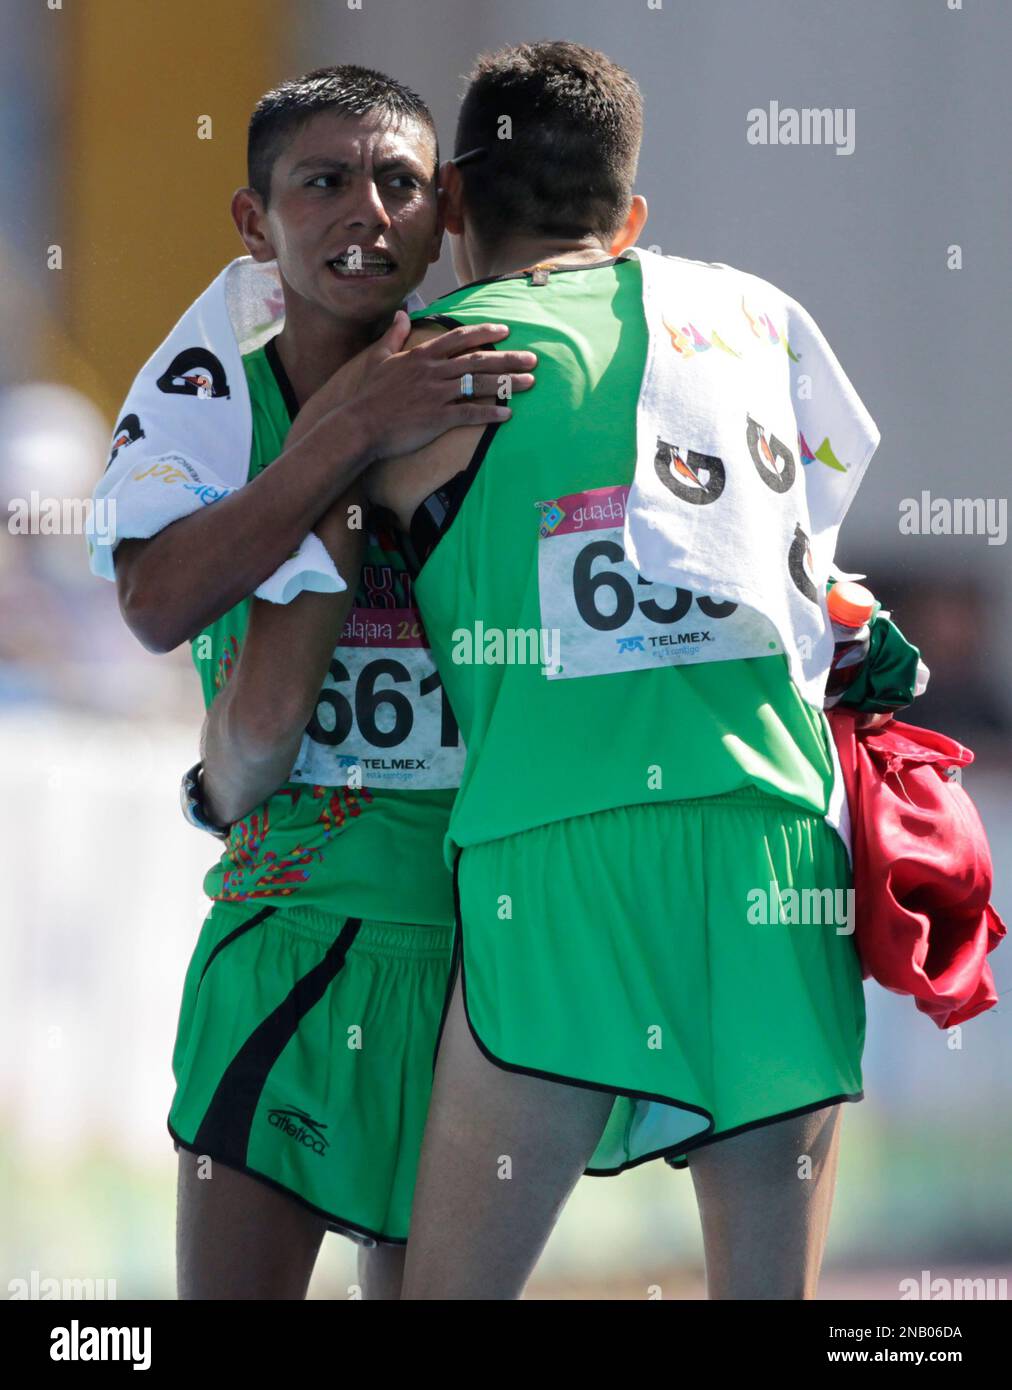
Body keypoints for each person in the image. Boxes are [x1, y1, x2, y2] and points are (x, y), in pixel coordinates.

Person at [363, 41, 922, 1300]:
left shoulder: (429, 363)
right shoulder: (761, 316)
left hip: (552, 850)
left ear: (451, 200)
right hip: (772, 839)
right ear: (633, 219)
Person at [88, 65, 535, 1300]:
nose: (366, 215)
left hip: (474, 936)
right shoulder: (206, 382)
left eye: (398, 185)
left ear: (445, 214)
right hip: (289, 914)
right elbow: (155, 600)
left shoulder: (500, 372)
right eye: (324, 183)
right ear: (255, 222)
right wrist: (348, 428)